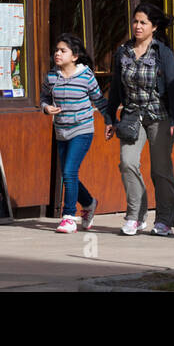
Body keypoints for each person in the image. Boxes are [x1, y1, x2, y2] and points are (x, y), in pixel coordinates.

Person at [105, 2, 174, 236]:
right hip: (132, 117)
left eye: (143, 23)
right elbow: (116, 89)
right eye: (135, 21)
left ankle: (165, 219)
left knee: (160, 169)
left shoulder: (162, 52)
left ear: (154, 27)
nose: (137, 26)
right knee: (127, 162)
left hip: (160, 117)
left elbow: (173, 89)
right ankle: (136, 216)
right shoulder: (123, 52)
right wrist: (110, 119)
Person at [40, 33, 105, 234]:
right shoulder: (52, 77)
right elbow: (44, 97)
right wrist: (45, 107)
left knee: (68, 172)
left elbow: (100, 101)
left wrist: (112, 122)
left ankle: (69, 217)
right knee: (70, 175)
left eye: (63, 51)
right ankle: (89, 203)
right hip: (61, 131)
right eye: (56, 50)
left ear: (74, 56)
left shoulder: (86, 76)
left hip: (82, 130)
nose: (57, 54)